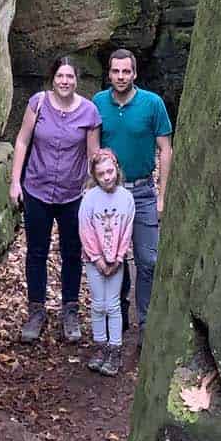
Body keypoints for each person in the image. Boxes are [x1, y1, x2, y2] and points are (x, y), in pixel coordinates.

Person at [9, 56, 101, 343]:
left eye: (70, 77)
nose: (65, 81)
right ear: (53, 79)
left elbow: (93, 155)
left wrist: (93, 189)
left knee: (71, 252)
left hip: (72, 194)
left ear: (77, 79)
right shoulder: (37, 103)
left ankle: (70, 310)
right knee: (37, 251)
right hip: (37, 189)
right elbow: (22, 140)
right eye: (60, 76)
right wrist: (15, 181)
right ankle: (36, 310)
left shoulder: (89, 112)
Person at [91, 49, 172, 337]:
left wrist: (162, 194)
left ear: (135, 73)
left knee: (148, 259)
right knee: (114, 257)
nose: (121, 77)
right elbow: (94, 146)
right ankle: (119, 313)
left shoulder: (153, 104)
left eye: (126, 71)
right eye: (116, 71)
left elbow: (165, 149)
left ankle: (146, 319)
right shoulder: (98, 103)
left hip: (142, 191)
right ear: (109, 73)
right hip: (110, 193)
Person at [78, 147, 134, 376]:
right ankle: (100, 347)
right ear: (94, 175)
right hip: (94, 260)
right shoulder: (89, 198)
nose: (107, 177)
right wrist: (97, 258)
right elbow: (85, 228)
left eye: (110, 171)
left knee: (112, 304)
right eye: (101, 174)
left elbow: (127, 228)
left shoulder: (126, 198)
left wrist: (119, 257)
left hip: (116, 260)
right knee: (98, 304)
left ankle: (115, 350)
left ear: (117, 169)